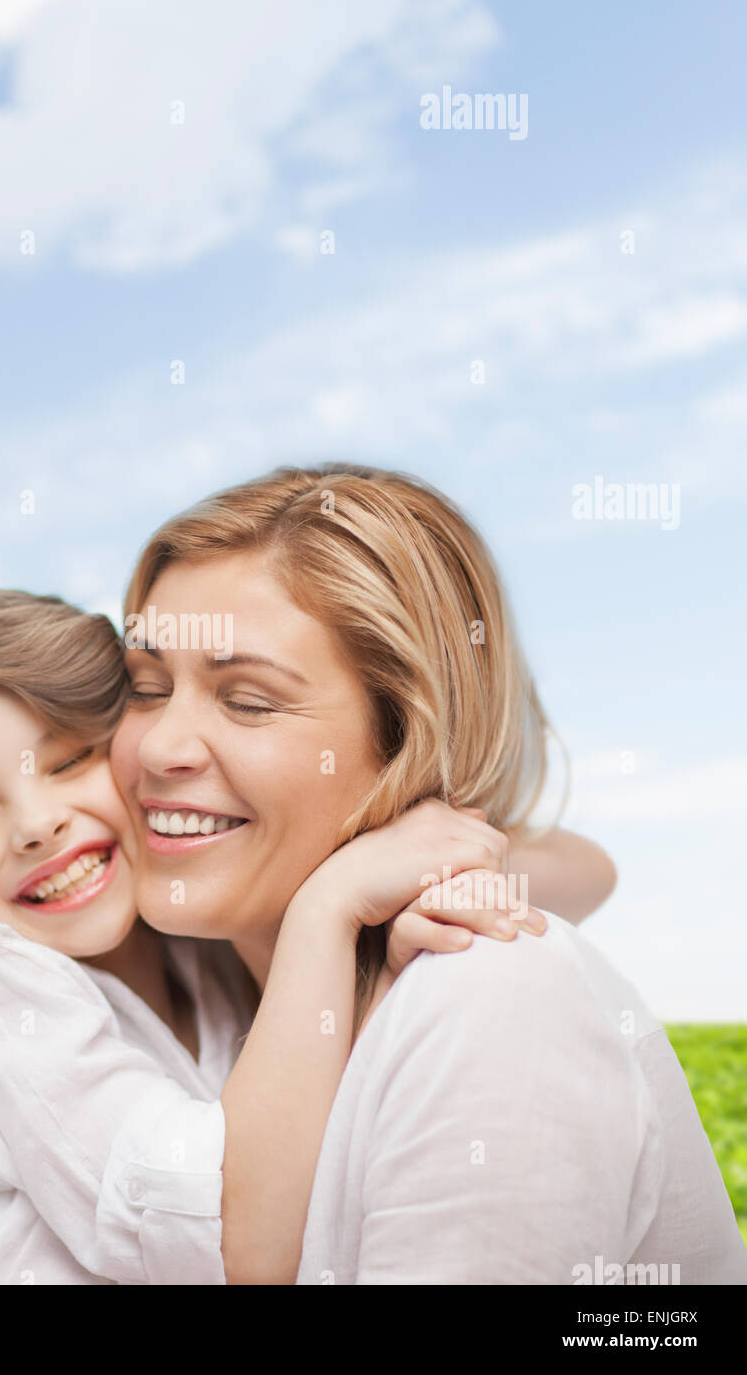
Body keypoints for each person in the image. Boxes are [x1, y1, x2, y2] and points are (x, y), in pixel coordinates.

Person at [0, 585, 606, 1283]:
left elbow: (584, 869)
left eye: (69, 760)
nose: (36, 824)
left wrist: (419, 848)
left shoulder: (194, 931)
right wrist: (327, 905)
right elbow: (232, 1249)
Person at [111, 462, 746, 1284]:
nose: (159, 747)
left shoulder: (484, 997)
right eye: (143, 687)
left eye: (249, 701)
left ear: (405, 737)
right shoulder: (198, 984)